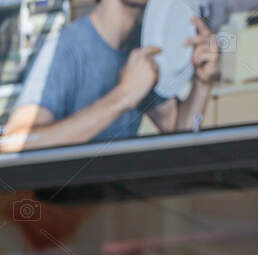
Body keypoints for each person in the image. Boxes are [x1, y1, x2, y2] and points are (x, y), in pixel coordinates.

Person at [1, 0, 219, 153]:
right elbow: (14, 143)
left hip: (112, 205)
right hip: (62, 209)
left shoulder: (141, 46)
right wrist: (122, 97)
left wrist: (202, 82)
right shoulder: (67, 47)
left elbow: (179, 133)